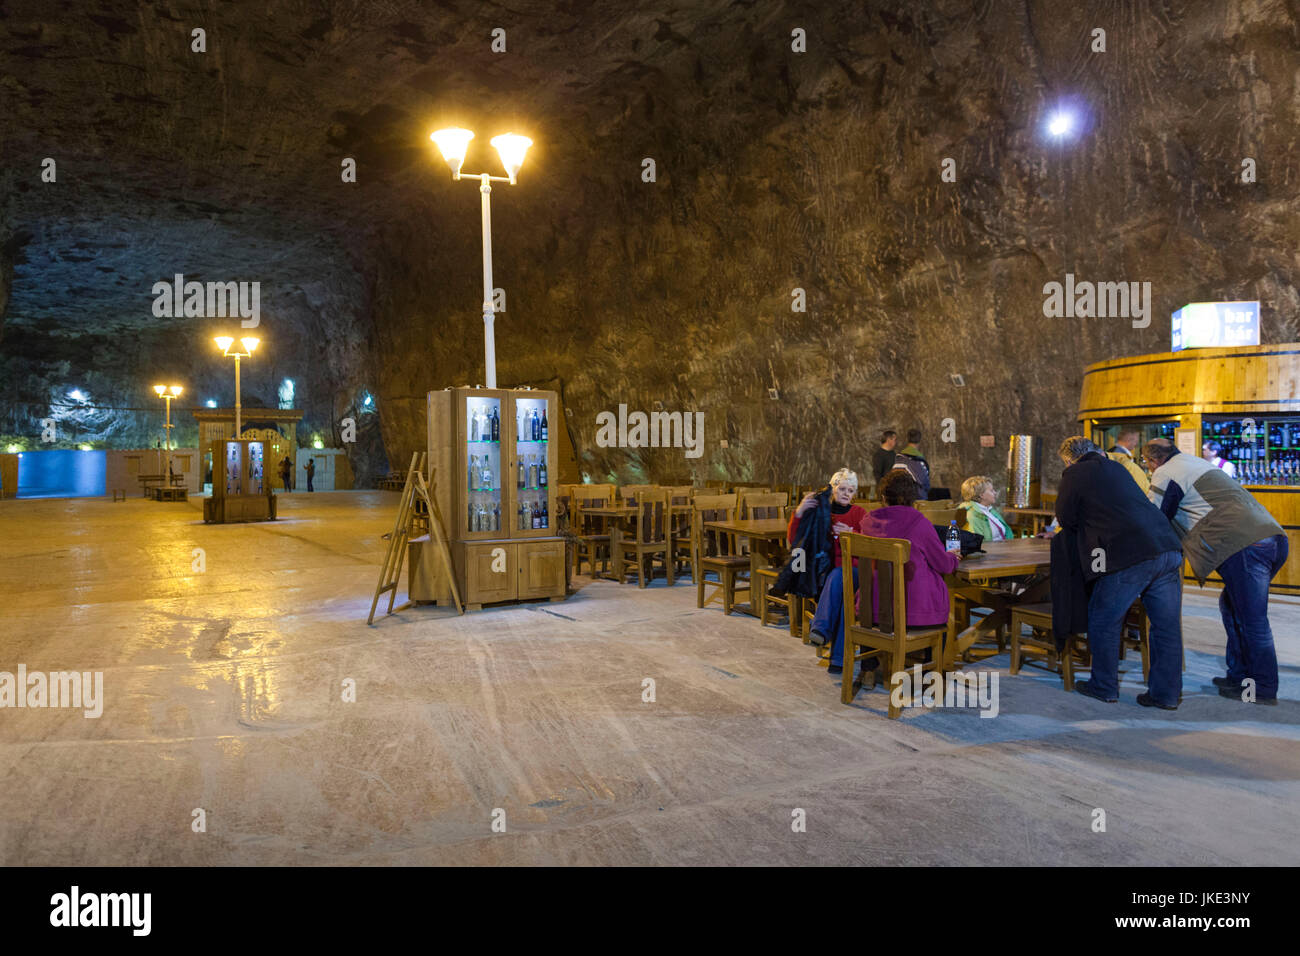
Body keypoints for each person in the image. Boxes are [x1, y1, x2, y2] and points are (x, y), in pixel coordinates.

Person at [1144, 438, 1285, 705]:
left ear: (1153, 460)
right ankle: (1240, 678)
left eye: (1148, 464)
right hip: (1270, 537)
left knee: (1252, 619)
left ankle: (1262, 689)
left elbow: (1155, 518)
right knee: (1233, 609)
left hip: (1244, 545)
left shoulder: (1166, 471)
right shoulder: (1196, 463)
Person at [1055, 436, 1184, 709]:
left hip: (1128, 553)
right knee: (1166, 626)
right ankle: (1166, 694)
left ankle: (1103, 686)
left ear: (1069, 459)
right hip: (1167, 547)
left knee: (1104, 618)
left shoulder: (1075, 472)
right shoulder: (1117, 467)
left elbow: (1066, 517)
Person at [816, 470, 960, 679]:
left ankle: (867, 671)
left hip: (871, 611)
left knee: (871, 599)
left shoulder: (868, 522)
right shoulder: (919, 522)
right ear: (913, 498)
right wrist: (954, 557)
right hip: (912, 614)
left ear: (883, 497)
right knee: (945, 618)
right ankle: (929, 678)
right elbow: (944, 565)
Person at [798, 469, 868, 673]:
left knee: (841, 577)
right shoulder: (822, 513)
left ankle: (821, 628)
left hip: (855, 572)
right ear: (833, 489)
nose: (847, 493)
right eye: (843, 488)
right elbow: (797, 539)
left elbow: (872, 545)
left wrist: (852, 535)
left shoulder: (860, 514)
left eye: (851, 490)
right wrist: (801, 514)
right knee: (844, 598)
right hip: (825, 575)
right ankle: (838, 660)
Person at [957, 475, 1013, 541]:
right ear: (981, 495)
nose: (995, 493)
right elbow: (978, 543)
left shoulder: (989, 510)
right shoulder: (972, 514)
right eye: (991, 490)